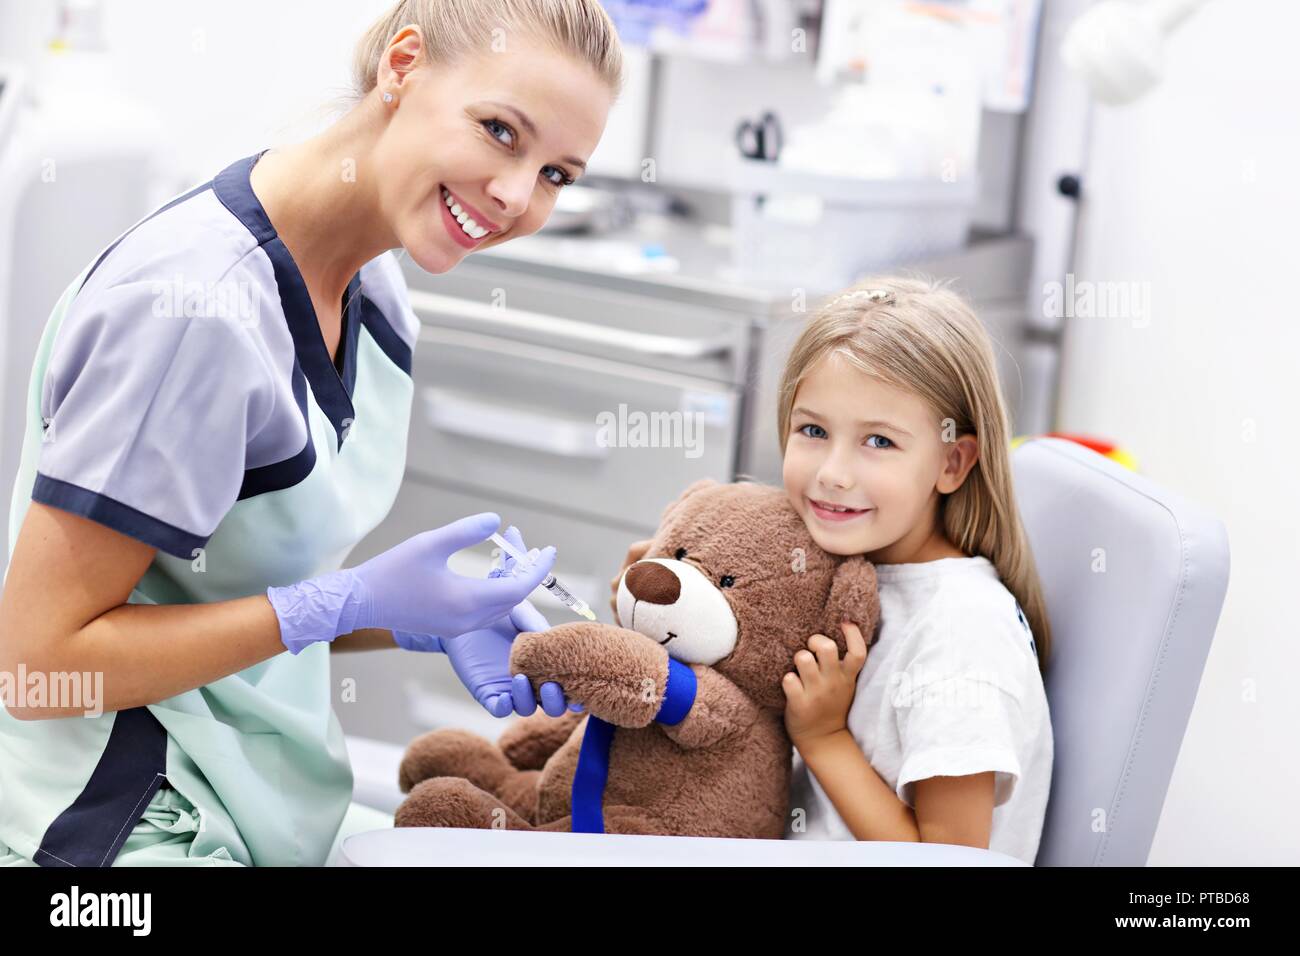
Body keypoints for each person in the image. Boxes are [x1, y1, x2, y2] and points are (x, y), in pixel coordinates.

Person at [0, 0, 623, 867]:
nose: (518, 195)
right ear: (402, 68)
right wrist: (345, 602)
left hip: (271, 809)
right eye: (500, 131)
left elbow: (230, 595)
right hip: (124, 831)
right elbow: (34, 667)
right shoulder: (195, 311)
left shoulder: (379, 292)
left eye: (558, 173)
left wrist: (414, 612)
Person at [775, 276, 1054, 864]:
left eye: (878, 440)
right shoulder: (840, 563)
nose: (833, 472)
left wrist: (823, 738)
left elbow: (952, 862)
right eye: (813, 430)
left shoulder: (962, 634)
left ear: (952, 463)